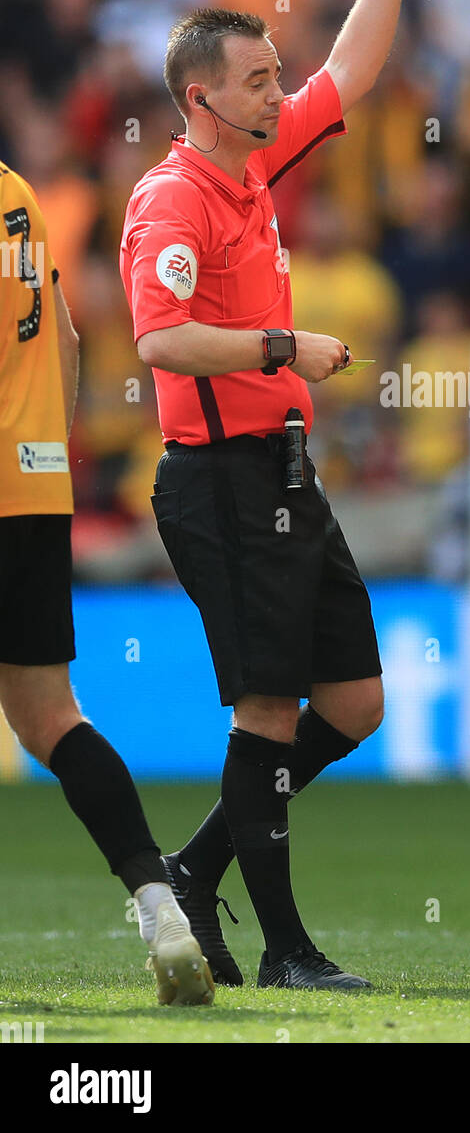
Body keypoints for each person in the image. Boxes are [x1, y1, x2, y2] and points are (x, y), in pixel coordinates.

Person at [119, 0, 430, 991]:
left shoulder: (251, 172)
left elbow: (350, 70)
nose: (276, 91)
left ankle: (198, 870)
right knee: (266, 705)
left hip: (285, 473)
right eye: (257, 80)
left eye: (272, 77)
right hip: (221, 477)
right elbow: (159, 341)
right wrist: (279, 350)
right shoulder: (173, 199)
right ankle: (289, 948)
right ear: (203, 98)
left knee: (354, 703)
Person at [0, 163, 213, 1007]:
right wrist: (48, 461)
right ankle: (162, 909)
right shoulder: (20, 197)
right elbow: (67, 341)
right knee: (53, 717)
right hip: (35, 484)